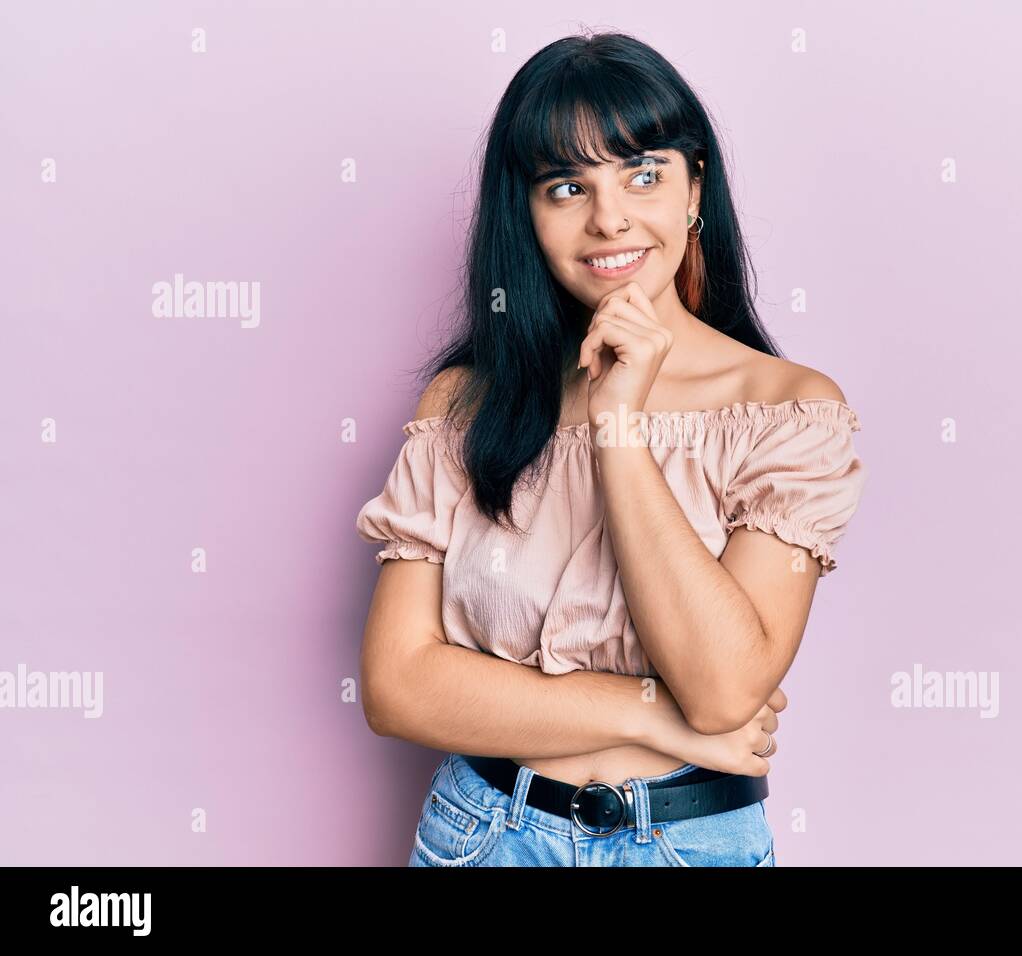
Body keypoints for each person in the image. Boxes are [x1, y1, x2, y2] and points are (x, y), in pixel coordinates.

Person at [354, 31, 867, 867]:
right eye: (566, 185)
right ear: (526, 212)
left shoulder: (786, 410)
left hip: (690, 845)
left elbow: (724, 686)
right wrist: (643, 712)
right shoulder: (465, 404)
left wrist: (618, 422)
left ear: (695, 188)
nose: (609, 218)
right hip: (482, 837)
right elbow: (398, 686)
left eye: (644, 173)